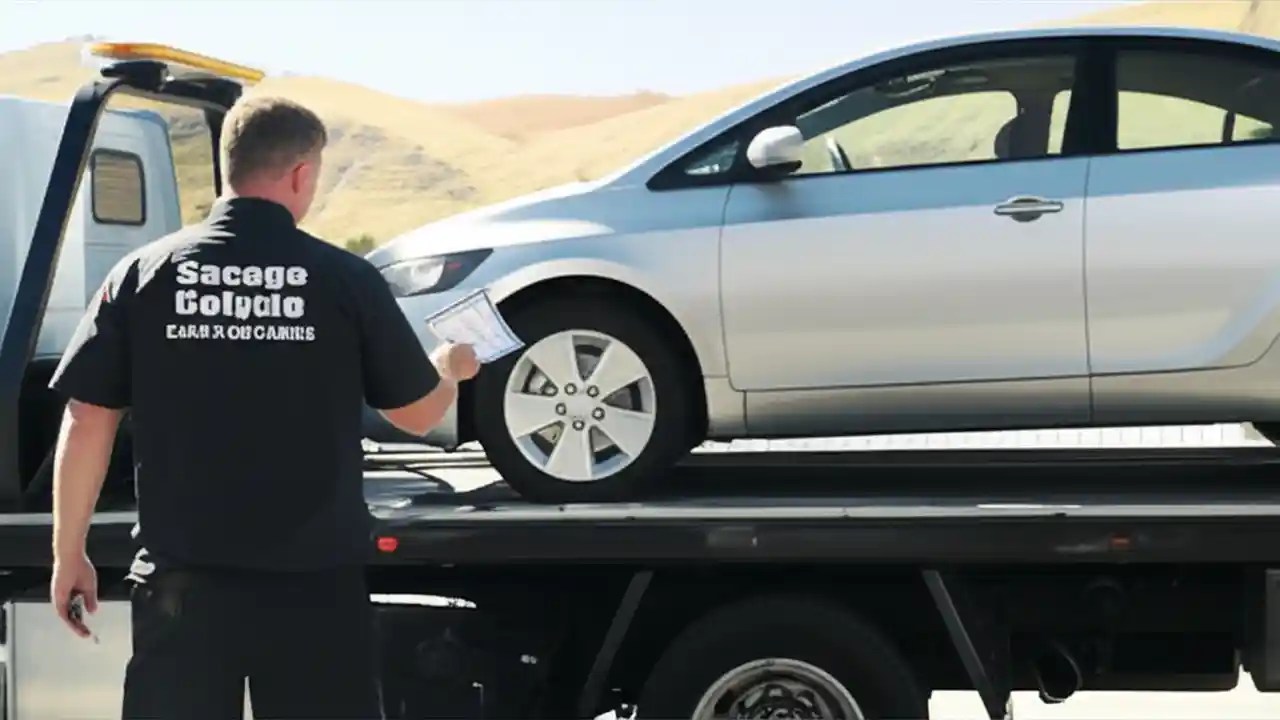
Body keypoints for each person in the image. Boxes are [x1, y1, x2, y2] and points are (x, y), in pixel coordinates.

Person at [46, 94, 479, 719]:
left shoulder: (144, 273)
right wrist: (450, 369)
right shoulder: (343, 278)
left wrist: (68, 553)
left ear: (230, 167)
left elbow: (87, 418)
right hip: (314, 587)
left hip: (182, 585)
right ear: (301, 173)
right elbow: (415, 413)